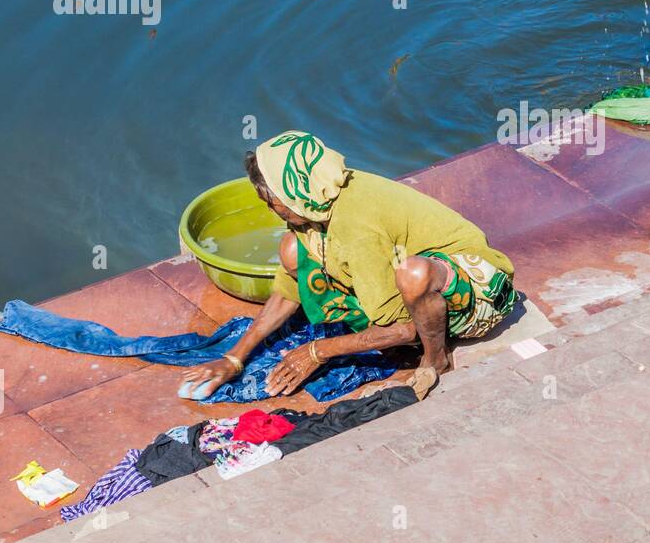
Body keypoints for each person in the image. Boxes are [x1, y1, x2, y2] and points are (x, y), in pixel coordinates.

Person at [180, 131, 517, 399]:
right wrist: (234, 358)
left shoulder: (354, 224)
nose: (273, 210)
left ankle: (436, 358)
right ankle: (403, 322)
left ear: (294, 192)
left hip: (478, 293)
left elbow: (403, 328)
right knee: (292, 251)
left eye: (274, 201)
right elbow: (286, 291)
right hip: (414, 281)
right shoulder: (314, 197)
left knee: (413, 275)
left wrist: (317, 351)